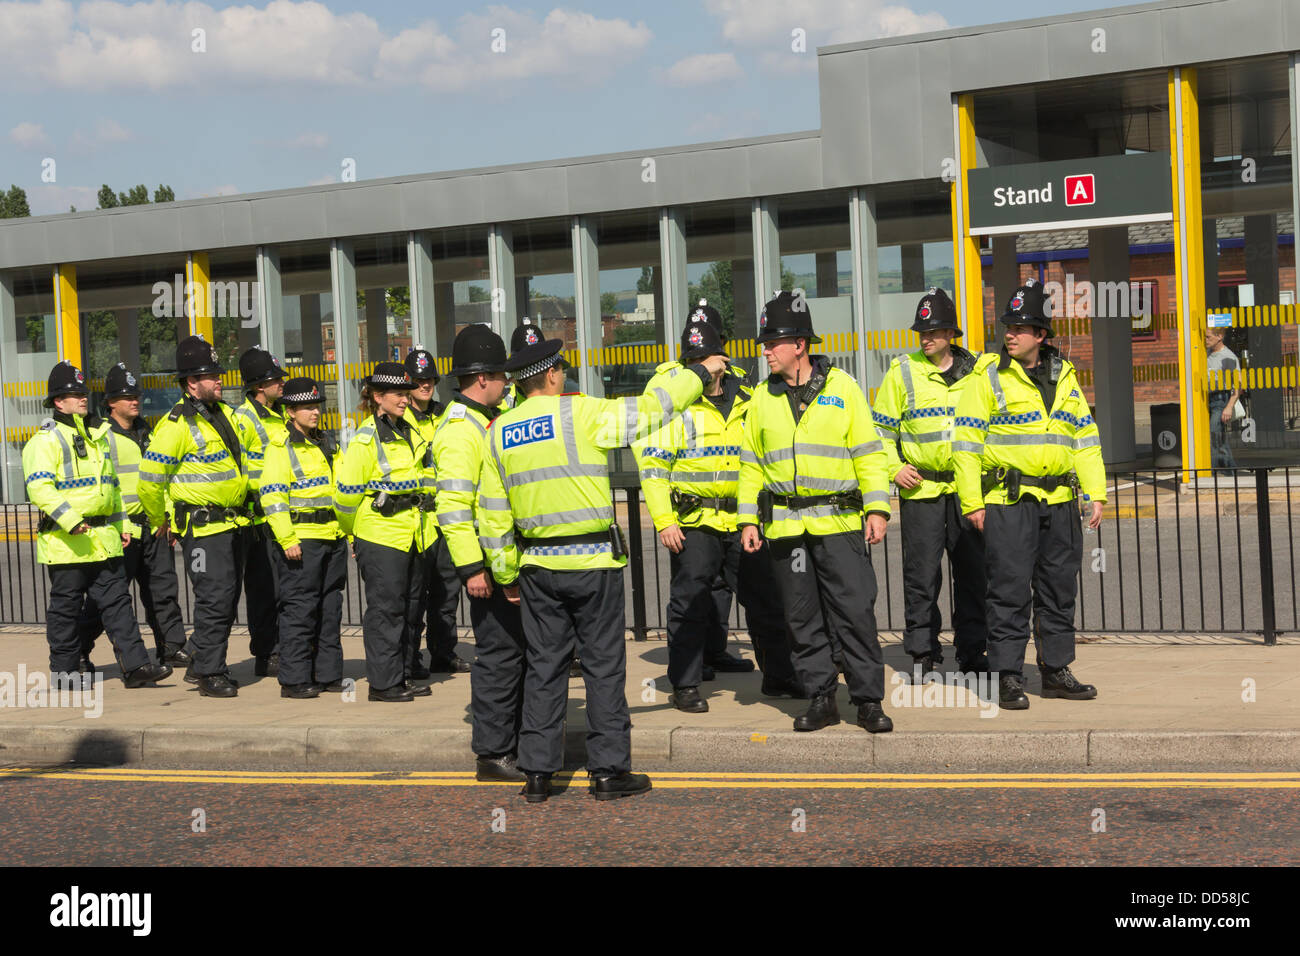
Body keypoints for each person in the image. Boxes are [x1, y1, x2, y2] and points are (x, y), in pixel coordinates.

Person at [479, 329, 728, 803]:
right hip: (592, 564)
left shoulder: (498, 433)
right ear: (552, 375)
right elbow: (653, 410)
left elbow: (492, 515)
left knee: (545, 668)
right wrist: (700, 371)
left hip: (536, 568)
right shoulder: (583, 412)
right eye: (563, 370)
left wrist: (506, 574)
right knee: (603, 668)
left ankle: (536, 774)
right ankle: (609, 772)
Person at [738, 291, 894, 734]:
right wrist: (748, 519)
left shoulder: (842, 388)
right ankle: (821, 697)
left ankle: (867, 701)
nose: (765, 350)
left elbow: (869, 454)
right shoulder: (761, 398)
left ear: (800, 345)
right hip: (787, 527)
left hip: (839, 523)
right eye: (764, 343)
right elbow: (751, 463)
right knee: (801, 619)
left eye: (773, 342)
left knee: (854, 613)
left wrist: (878, 508)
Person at [634, 311, 800, 714]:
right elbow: (653, 468)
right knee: (689, 604)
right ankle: (686, 685)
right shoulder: (675, 404)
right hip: (694, 523)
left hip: (743, 519)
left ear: (722, 359)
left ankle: (779, 676)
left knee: (764, 602)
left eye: (708, 359)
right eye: (694, 361)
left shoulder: (747, 395)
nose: (703, 367)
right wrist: (664, 520)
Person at [953, 279, 1106, 710]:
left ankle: (1055, 671)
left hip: (1059, 503)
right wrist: (972, 503)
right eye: (1008, 326)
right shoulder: (987, 376)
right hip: (1008, 502)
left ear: (1041, 335)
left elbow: (1085, 438)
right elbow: (965, 445)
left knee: (1059, 589)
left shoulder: (1066, 377)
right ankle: (1008, 676)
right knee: (1009, 590)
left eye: (1021, 327)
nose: (1010, 334)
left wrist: (1096, 492)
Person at [22, 360, 172, 688]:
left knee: (118, 603)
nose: (82, 398)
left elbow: (112, 488)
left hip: (102, 538)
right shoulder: (45, 441)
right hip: (66, 543)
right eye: (74, 394)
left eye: (82, 392)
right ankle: (65, 673)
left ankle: (136, 667)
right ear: (58, 402)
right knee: (66, 609)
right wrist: (72, 520)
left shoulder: (96, 436)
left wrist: (121, 526)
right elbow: (39, 488)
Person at [873, 287, 988, 679]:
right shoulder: (902, 371)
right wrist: (893, 467)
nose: (927, 337)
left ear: (952, 332)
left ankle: (973, 650)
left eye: (935, 330)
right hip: (920, 488)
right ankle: (923, 651)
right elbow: (880, 432)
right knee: (921, 575)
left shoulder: (977, 372)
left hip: (966, 488)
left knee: (973, 573)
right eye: (922, 331)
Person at [431, 325, 526, 781]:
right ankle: (492, 753)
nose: (508, 383)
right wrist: (471, 567)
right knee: (499, 656)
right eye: (502, 376)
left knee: (517, 653)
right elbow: (452, 507)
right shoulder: (458, 431)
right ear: (483, 378)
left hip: (506, 560)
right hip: (485, 567)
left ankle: (517, 741)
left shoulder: (490, 418)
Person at [140, 335, 253, 698]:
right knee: (214, 599)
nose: (220, 380)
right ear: (191, 383)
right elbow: (149, 481)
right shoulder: (174, 426)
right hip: (203, 528)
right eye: (211, 375)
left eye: (219, 373)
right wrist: (162, 519)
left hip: (233, 523)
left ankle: (199, 657)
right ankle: (209, 672)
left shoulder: (227, 415)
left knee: (226, 600)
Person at [76, 363, 192, 670]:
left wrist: (166, 517)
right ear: (111, 402)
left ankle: (171, 647)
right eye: (126, 396)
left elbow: (161, 479)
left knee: (163, 592)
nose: (134, 401)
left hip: (154, 527)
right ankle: (78, 649)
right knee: (107, 601)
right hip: (121, 530)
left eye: (136, 395)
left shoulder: (149, 432)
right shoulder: (101, 437)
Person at [334, 362, 438, 702]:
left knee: (409, 610)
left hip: (412, 532)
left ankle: (402, 675)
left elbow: (426, 475)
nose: (405, 400)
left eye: (407, 394)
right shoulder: (366, 437)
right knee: (386, 611)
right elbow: (345, 497)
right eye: (398, 394)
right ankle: (383, 684)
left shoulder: (408, 430)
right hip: (380, 536)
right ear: (378, 396)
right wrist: (354, 534)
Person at [259, 377, 347, 699]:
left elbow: (339, 491)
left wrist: (347, 533)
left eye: (317, 406)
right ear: (291, 411)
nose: (315, 412)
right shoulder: (281, 447)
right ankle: (294, 679)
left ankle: (328, 673)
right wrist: (287, 538)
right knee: (299, 609)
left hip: (332, 536)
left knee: (330, 606)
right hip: (302, 540)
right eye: (308, 407)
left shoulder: (327, 443)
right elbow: (272, 497)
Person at [403, 345, 469, 677]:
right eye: (418, 381)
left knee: (447, 592)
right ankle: (411, 658)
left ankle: (443, 653)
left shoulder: (447, 414)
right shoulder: (397, 420)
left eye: (429, 379)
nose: (425, 385)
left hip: (443, 516)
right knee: (414, 595)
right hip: (414, 519)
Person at [232, 346, 288, 677]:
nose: (280, 383)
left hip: (279, 513)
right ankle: (265, 652)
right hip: (257, 518)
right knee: (263, 589)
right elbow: (241, 467)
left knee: (284, 588)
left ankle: (283, 646)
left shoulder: (279, 414)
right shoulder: (244, 419)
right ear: (257, 386)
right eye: (274, 379)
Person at [1205, 327, 1242, 470]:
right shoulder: (1205, 353)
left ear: (1219, 336)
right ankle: (1230, 469)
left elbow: (1239, 385)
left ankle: (1210, 471)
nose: (1205, 340)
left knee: (1213, 433)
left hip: (1220, 399)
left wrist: (1229, 406)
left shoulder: (1228, 357)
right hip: (1206, 398)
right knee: (1217, 435)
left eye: (1208, 337)